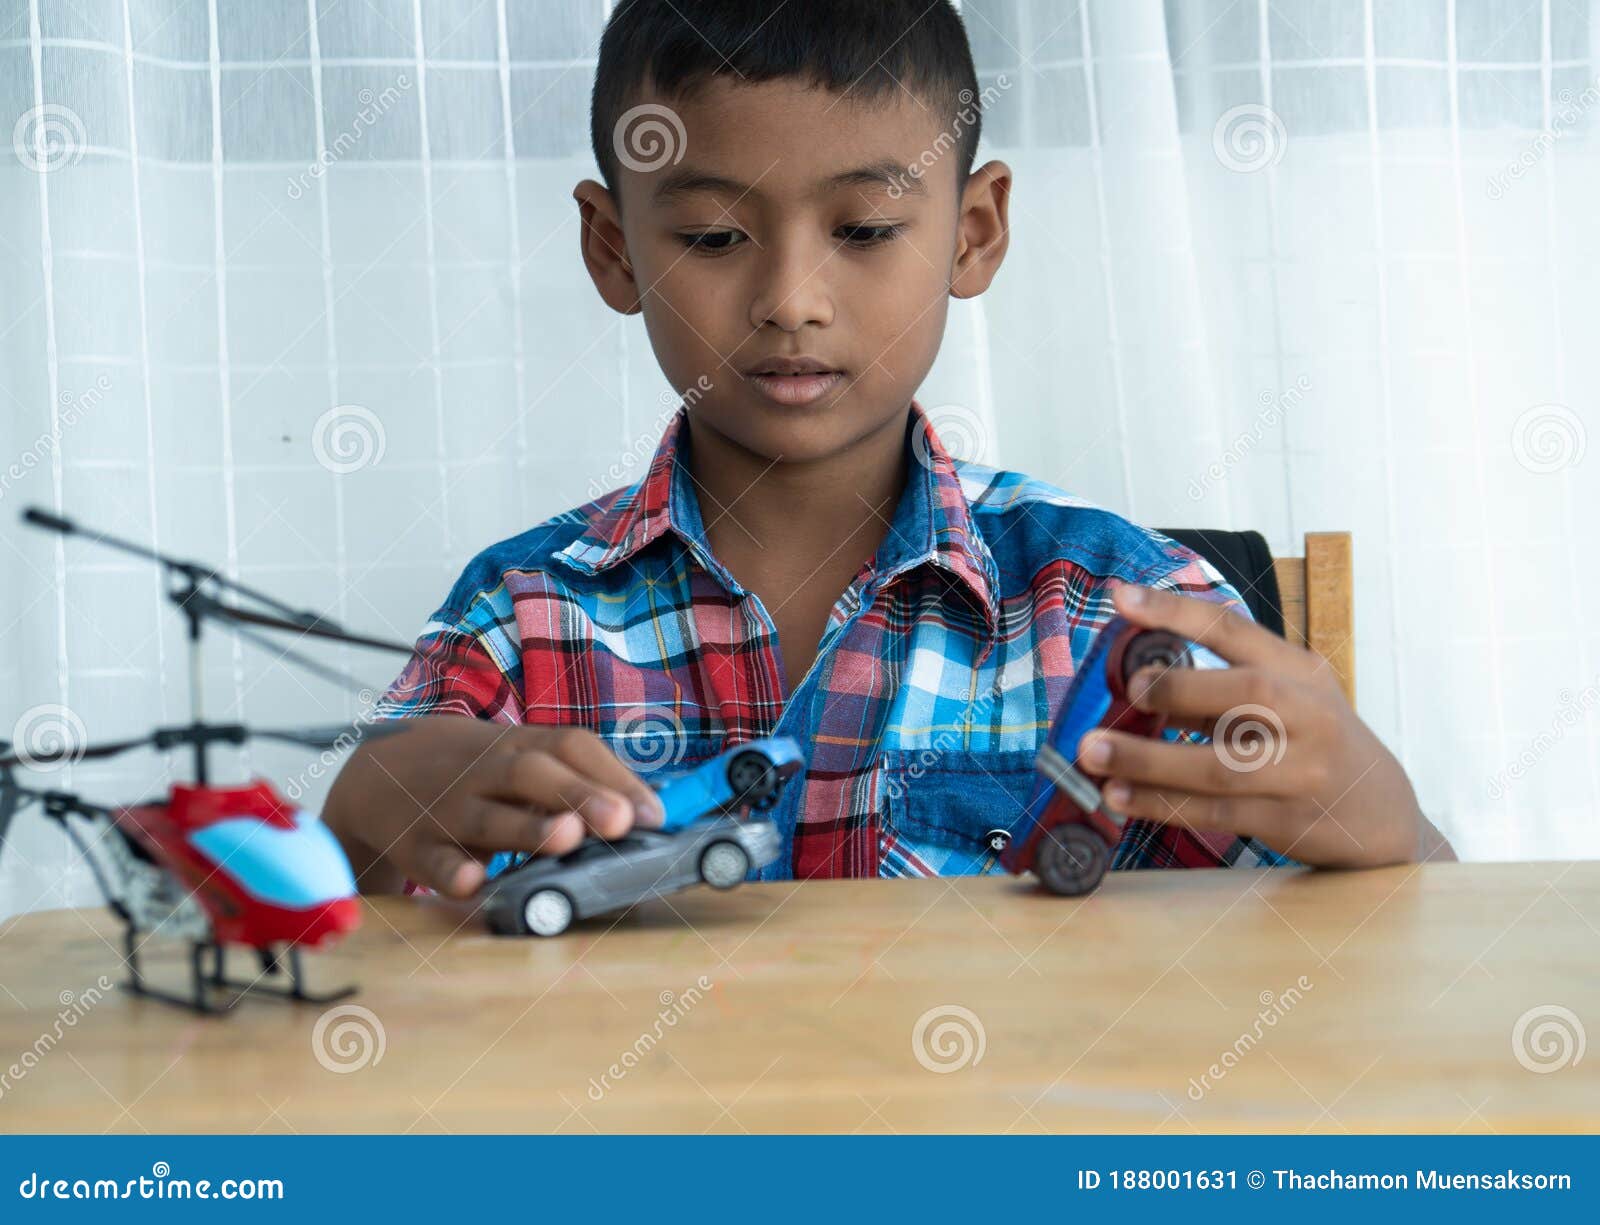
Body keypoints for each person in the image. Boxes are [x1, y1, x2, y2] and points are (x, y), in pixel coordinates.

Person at [323, 0, 1452, 900]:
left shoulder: (1116, 614)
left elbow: (1397, 954)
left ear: (974, 232)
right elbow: (357, 938)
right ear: (615, 250)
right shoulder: (520, 619)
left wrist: (1391, 827)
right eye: (713, 236)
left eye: (863, 230)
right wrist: (363, 821)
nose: (791, 299)